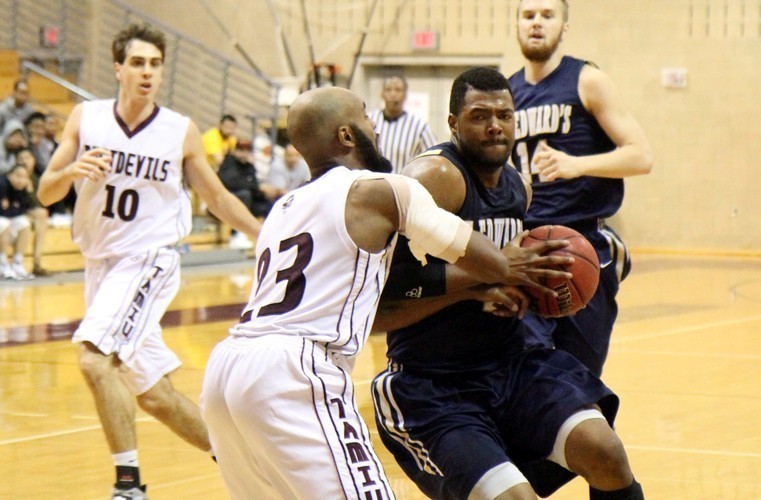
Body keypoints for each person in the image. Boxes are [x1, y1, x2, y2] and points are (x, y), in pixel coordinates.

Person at [200, 85, 549, 499]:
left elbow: (377, 311)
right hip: (295, 370)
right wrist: (507, 260)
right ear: (347, 135)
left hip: (225, 372)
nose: (376, 128)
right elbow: (491, 263)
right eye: (367, 117)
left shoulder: (284, 208)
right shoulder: (383, 190)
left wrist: (464, 292)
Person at [372, 67, 645, 500]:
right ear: (453, 123)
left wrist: (533, 290)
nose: (495, 126)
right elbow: (378, 305)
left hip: (511, 366)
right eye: (480, 115)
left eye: (504, 115)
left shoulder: (518, 187)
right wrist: (484, 281)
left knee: (605, 452)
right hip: (435, 384)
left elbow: (506, 273)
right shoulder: (435, 179)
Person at [36, 23, 262, 500]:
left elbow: (218, 198)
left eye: (155, 65)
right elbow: (45, 192)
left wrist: (265, 237)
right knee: (157, 397)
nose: (147, 72)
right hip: (100, 267)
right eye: (137, 63)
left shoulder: (179, 131)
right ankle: (250, 466)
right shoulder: (86, 118)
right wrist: (71, 170)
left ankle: (128, 487)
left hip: (148, 261)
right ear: (118, 68)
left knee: (95, 361)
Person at [509, 0, 654, 376]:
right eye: (528, 15)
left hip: (582, 243)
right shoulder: (507, 93)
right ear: (517, 25)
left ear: (564, 28)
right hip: (528, 248)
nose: (537, 23)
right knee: (526, 371)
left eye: (547, 16)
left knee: (580, 377)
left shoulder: (587, 80)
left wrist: (578, 164)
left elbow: (641, 156)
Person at [369, 75, 438, 173]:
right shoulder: (370, 120)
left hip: (404, 181)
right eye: (388, 90)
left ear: (405, 95)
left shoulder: (419, 126)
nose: (393, 94)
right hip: (373, 180)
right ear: (382, 94)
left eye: (398, 90)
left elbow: (434, 159)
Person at [216, 139, 270, 249]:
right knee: (245, 194)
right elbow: (229, 182)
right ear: (235, 151)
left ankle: (268, 236)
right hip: (228, 200)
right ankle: (236, 234)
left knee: (267, 203)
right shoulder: (228, 162)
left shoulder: (249, 166)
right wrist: (247, 183)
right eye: (241, 150)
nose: (244, 153)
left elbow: (255, 185)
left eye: (247, 150)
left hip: (248, 201)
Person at [14, 148, 50, 276]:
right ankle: (31, 262)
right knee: (39, 215)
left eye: (27, 158)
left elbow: (39, 203)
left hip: (27, 214)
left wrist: (29, 189)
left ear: (33, 161)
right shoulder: (12, 177)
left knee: (41, 215)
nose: (24, 161)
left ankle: (37, 262)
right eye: (20, 158)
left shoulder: (35, 179)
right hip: (12, 213)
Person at [0, 164, 36, 280]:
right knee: (5, 223)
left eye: (25, 177)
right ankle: (2, 263)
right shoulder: (2, 185)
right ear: (9, 175)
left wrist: (30, 192)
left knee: (24, 223)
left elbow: (23, 210)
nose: (21, 180)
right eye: (18, 176)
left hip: (6, 219)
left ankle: (17, 263)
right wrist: (13, 209)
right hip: (3, 221)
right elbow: (3, 212)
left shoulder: (21, 189)